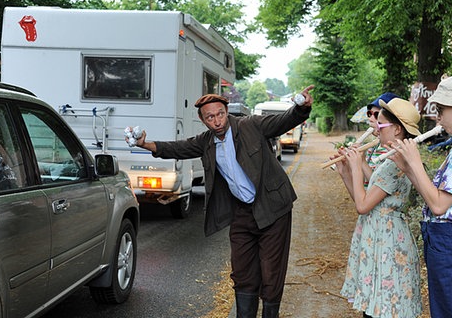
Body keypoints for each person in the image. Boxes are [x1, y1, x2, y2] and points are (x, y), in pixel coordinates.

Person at [129, 86, 315, 318]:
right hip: (242, 214)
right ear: (203, 120)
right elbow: (177, 148)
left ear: (227, 112)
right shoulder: (205, 142)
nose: (217, 121)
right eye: (210, 117)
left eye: (220, 114)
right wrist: (145, 144)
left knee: (271, 272)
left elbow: (282, 121)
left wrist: (301, 108)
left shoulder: (250, 125)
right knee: (243, 273)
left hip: (273, 209)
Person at [389, 74, 452, 318]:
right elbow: (433, 196)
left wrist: (415, 162)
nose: (438, 117)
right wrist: (408, 168)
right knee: (444, 308)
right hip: (448, 238)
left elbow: (437, 205)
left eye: (442, 110)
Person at [333, 98, 422, 318]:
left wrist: (355, 167)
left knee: (384, 309)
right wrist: (346, 171)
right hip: (378, 238)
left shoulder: (396, 163)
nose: (375, 130)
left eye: (380, 125)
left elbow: (363, 206)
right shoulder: (390, 158)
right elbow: (367, 199)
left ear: (398, 129)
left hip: (388, 243)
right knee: (375, 307)